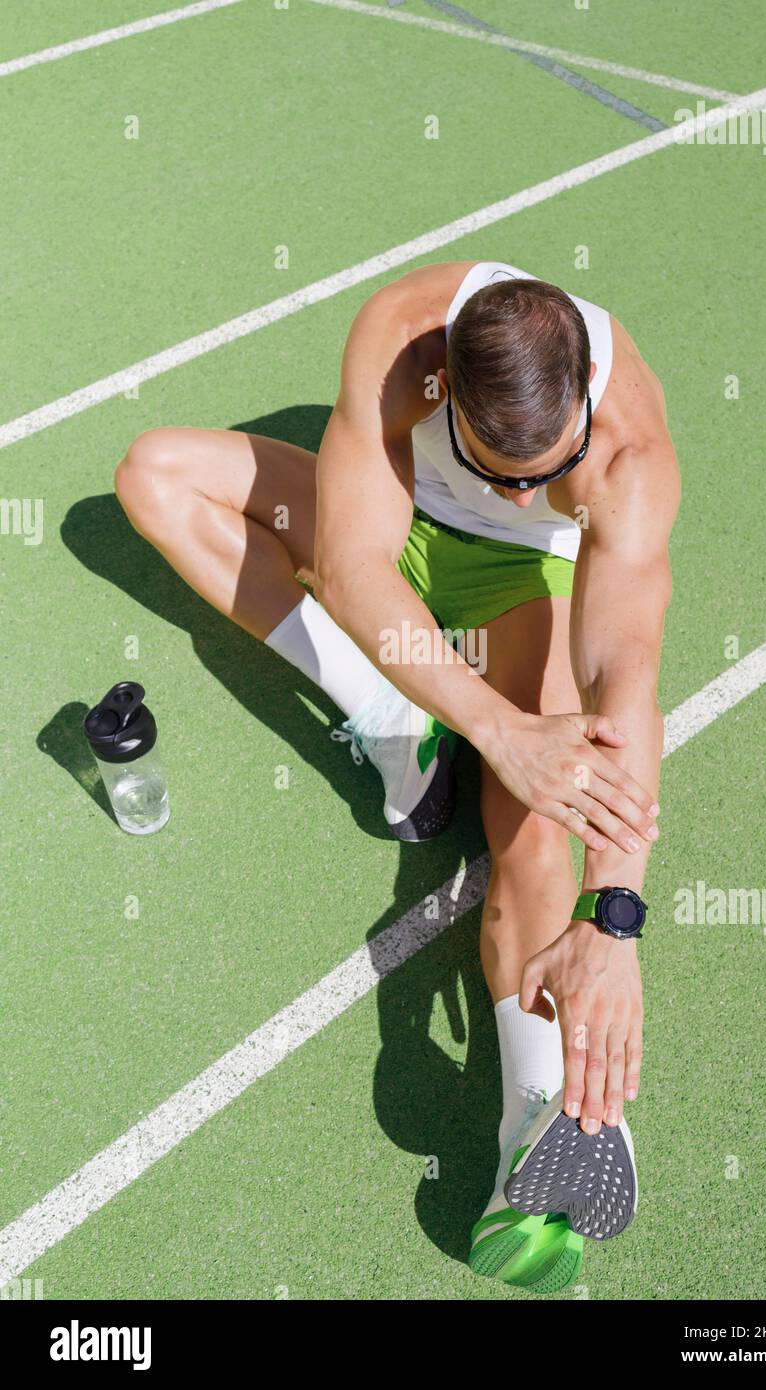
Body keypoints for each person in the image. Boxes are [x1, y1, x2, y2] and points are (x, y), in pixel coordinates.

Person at [115, 259, 680, 1289]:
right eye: (499, 468)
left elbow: (621, 684)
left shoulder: (628, 455)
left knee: (531, 837)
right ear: (448, 393)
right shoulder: (402, 341)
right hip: (396, 545)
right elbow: (354, 567)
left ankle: (533, 1116)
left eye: (539, 472)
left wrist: (616, 918)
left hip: (525, 592)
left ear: (583, 412)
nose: (520, 488)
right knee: (153, 470)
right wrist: (489, 727)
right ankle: (389, 724)